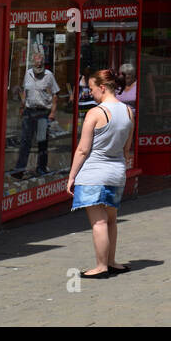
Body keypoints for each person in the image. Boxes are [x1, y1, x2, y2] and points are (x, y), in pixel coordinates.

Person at [67, 68, 134, 279]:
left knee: (98, 222)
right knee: (112, 220)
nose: (90, 93)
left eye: (92, 89)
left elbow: (83, 149)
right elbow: (126, 149)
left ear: (102, 88)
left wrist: (71, 176)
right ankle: (112, 262)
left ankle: (100, 266)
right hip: (117, 172)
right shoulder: (128, 111)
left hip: (94, 174)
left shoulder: (96, 113)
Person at [11, 50, 60, 179]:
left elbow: (55, 95)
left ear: (43, 63)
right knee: (25, 141)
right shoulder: (28, 73)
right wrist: (22, 106)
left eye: (40, 63)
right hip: (29, 111)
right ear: (33, 62)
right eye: (36, 62)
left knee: (42, 141)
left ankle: (41, 168)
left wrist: (53, 112)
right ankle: (19, 170)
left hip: (43, 112)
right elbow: (25, 92)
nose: (38, 65)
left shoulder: (49, 75)